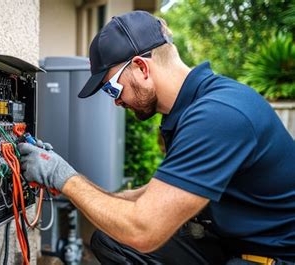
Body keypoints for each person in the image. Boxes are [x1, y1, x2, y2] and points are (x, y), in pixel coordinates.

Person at [18, 10, 295, 264]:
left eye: (112, 89)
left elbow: (144, 230)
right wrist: (64, 174)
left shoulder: (217, 115)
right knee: (111, 240)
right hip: (231, 245)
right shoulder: (189, 109)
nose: (116, 102)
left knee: (136, 237)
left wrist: (64, 178)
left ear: (141, 67)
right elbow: (150, 197)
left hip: (273, 257)